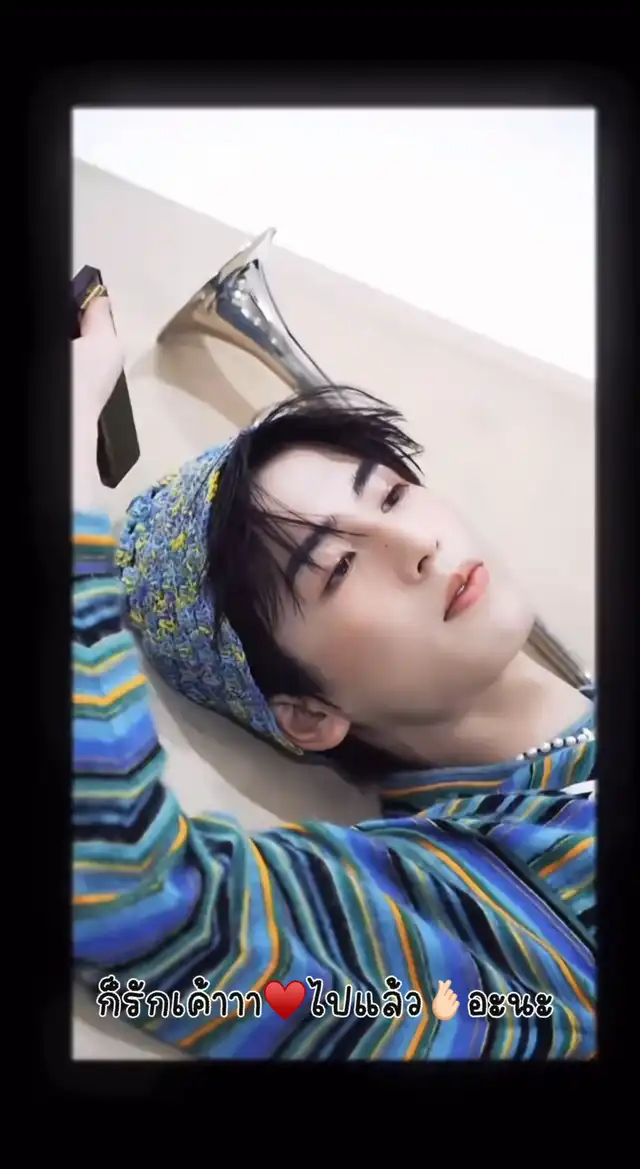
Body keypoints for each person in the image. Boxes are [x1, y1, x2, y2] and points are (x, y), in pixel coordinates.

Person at [73, 296, 596, 1060]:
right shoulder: (459, 906)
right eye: (338, 566)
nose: (415, 542)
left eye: (391, 493)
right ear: (308, 714)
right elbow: (128, 894)